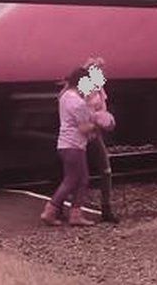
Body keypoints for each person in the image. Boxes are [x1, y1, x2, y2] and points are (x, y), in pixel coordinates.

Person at [41, 67, 98, 226]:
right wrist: (99, 123)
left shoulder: (65, 96)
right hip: (74, 145)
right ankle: (51, 210)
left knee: (79, 179)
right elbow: (83, 128)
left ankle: (75, 214)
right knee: (74, 179)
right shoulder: (78, 102)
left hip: (66, 144)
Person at [83, 57, 119, 223]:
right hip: (84, 134)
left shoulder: (99, 86)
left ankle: (107, 208)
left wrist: (104, 121)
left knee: (106, 170)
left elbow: (102, 107)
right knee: (78, 173)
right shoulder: (84, 87)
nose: (101, 72)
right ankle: (63, 206)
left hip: (95, 133)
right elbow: (83, 110)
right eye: (98, 68)